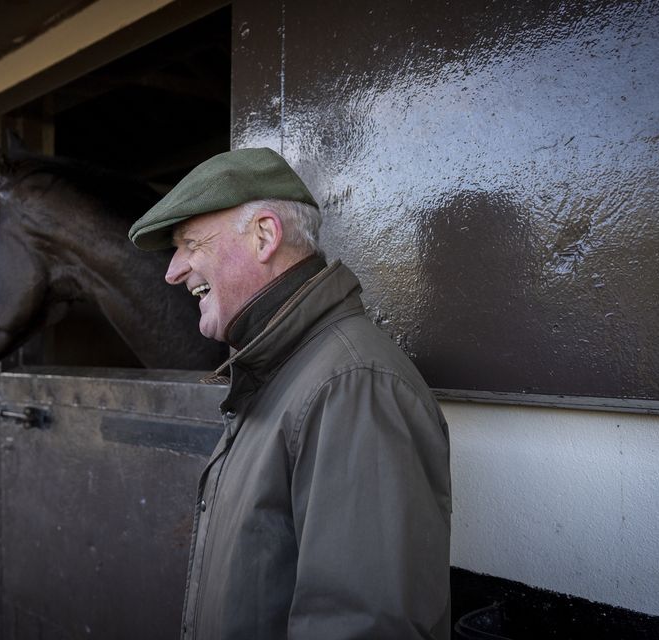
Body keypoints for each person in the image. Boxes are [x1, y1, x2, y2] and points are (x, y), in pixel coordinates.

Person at [129, 148, 452, 639]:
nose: (173, 271)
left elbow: (363, 627)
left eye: (190, 243)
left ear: (264, 235)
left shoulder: (353, 385)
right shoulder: (282, 367)